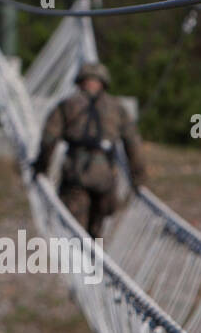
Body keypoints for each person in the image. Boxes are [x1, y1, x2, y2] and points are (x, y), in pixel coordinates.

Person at [32, 62, 146, 239]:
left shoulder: (67, 105)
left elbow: (49, 139)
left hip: (76, 177)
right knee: (96, 232)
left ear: (79, 82)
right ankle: (93, 262)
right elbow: (134, 144)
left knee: (74, 233)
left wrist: (40, 167)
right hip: (105, 179)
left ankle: (80, 263)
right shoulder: (117, 108)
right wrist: (138, 179)